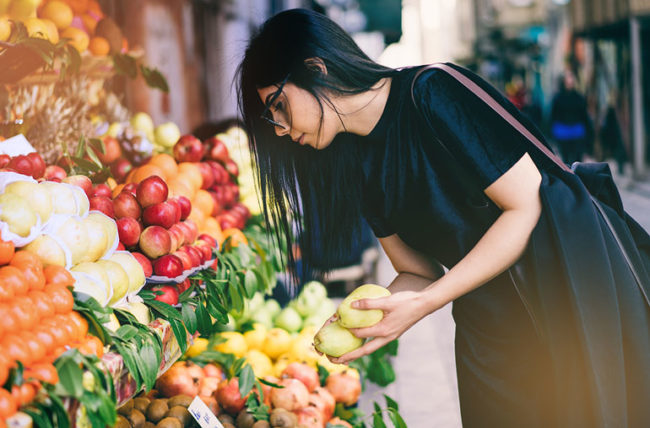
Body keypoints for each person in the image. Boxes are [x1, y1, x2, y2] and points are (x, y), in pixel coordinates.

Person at [236, 9, 650, 427]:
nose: (280, 130)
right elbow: (418, 271)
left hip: (564, 300)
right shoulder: (357, 164)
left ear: (316, 69)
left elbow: (525, 205)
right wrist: (372, 318)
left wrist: (425, 303)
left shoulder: (433, 91)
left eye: (279, 105)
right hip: (488, 333)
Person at [550, 71, 594, 164]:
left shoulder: (579, 98)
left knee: (577, 159)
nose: (569, 82)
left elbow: (584, 115)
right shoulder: (558, 98)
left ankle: (575, 176)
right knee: (566, 159)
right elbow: (554, 116)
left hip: (576, 132)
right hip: (563, 132)